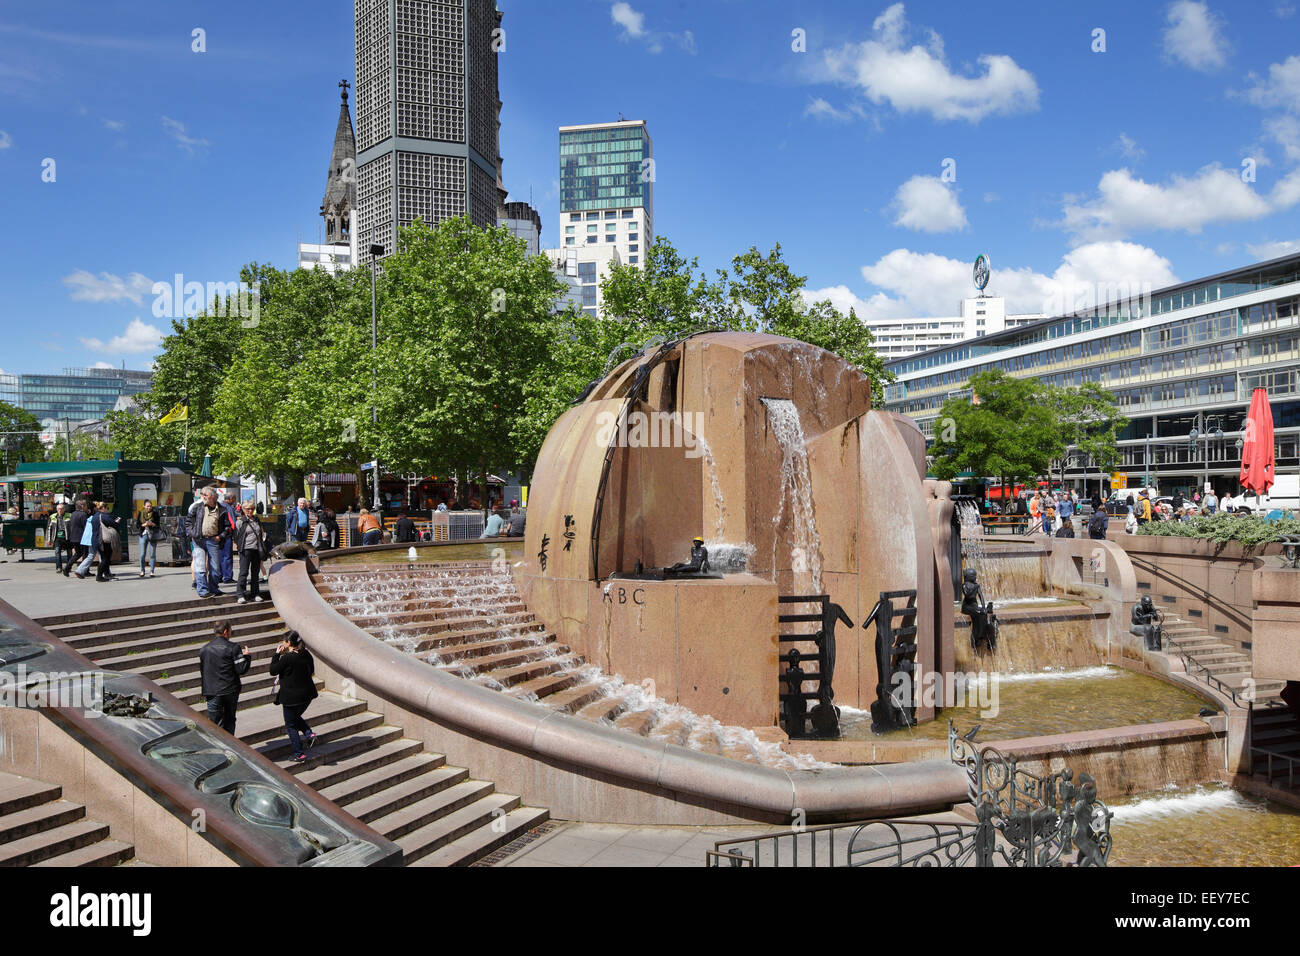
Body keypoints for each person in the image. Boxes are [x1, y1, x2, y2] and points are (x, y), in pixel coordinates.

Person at [268, 631, 319, 762]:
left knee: (291, 725)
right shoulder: (306, 654)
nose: (282, 644)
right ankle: (309, 733)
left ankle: (299, 754)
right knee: (294, 718)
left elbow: (273, 670)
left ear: (289, 643)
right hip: (307, 695)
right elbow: (312, 671)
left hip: (291, 698)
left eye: (284, 641)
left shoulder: (287, 658)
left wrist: (277, 654)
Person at [199, 620, 250, 735]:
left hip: (212, 691)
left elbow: (204, 671)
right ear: (226, 631)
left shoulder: (204, 649)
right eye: (231, 630)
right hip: (229, 690)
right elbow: (241, 669)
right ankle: (230, 747)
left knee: (215, 724)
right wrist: (247, 657)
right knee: (229, 720)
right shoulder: (233, 647)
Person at [187, 487, 227, 598]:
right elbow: (188, 522)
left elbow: (227, 527)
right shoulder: (197, 507)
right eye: (203, 494)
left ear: (213, 497)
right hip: (199, 540)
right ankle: (203, 590)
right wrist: (192, 533)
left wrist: (220, 536)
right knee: (200, 566)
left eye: (206, 495)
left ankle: (214, 588)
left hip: (213, 540)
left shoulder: (222, 509)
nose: (203, 496)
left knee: (215, 567)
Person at [234, 502, 267, 604]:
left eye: (252, 509)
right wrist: (240, 547)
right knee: (243, 572)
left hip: (257, 549)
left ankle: (255, 594)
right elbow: (236, 536)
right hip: (245, 549)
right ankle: (240, 594)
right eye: (248, 509)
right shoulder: (240, 522)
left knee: (255, 573)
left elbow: (261, 532)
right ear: (243, 510)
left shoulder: (257, 520)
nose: (250, 511)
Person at [74, 501, 103, 579]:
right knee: (101, 555)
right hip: (94, 538)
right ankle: (104, 572)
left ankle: (80, 570)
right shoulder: (95, 517)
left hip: (88, 539)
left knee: (92, 555)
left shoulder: (89, 516)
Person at [135, 501, 162, 578]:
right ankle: (142, 570)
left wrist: (152, 524)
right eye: (147, 506)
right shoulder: (141, 513)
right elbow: (137, 525)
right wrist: (144, 525)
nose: (149, 508)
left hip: (152, 535)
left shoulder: (155, 514)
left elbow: (158, 525)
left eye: (150, 506)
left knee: (152, 554)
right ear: (144, 506)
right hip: (143, 535)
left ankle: (152, 571)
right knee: (142, 554)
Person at [218, 492, 239, 584]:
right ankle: (227, 577)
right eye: (234, 498)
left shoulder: (218, 506)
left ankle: (219, 576)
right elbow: (233, 523)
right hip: (226, 535)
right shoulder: (228, 507)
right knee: (227, 556)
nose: (234, 500)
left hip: (217, 535)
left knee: (219, 557)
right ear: (230, 499)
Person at [66, 499, 89, 578]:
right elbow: (86, 527)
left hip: (74, 537)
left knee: (78, 553)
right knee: (86, 555)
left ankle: (67, 568)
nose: (86, 507)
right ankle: (84, 571)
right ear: (82, 506)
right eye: (85, 505)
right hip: (82, 538)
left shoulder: (73, 514)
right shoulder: (83, 515)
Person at [48, 502, 73, 575]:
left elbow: (72, 527)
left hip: (67, 537)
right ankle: (59, 567)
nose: (60, 510)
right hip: (57, 538)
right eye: (59, 509)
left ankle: (68, 567)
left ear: (64, 509)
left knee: (69, 553)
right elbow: (49, 528)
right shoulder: (52, 516)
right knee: (57, 552)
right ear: (56, 509)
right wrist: (49, 539)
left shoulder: (69, 516)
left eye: (61, 509)